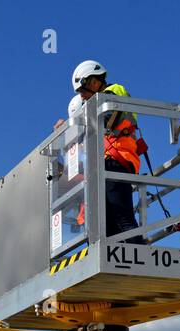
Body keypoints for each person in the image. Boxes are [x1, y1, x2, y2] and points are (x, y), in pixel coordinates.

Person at [64, 59, 145, 242]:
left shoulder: (114, 91)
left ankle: (139, 257)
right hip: (107, 163)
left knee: (123, 217)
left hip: (118, 160)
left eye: (82, 91)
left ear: (94, 82)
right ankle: (120, 262)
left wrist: (74, 125)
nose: (82, 97)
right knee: (108, 225)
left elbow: (108, 120)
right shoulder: (96, 104)